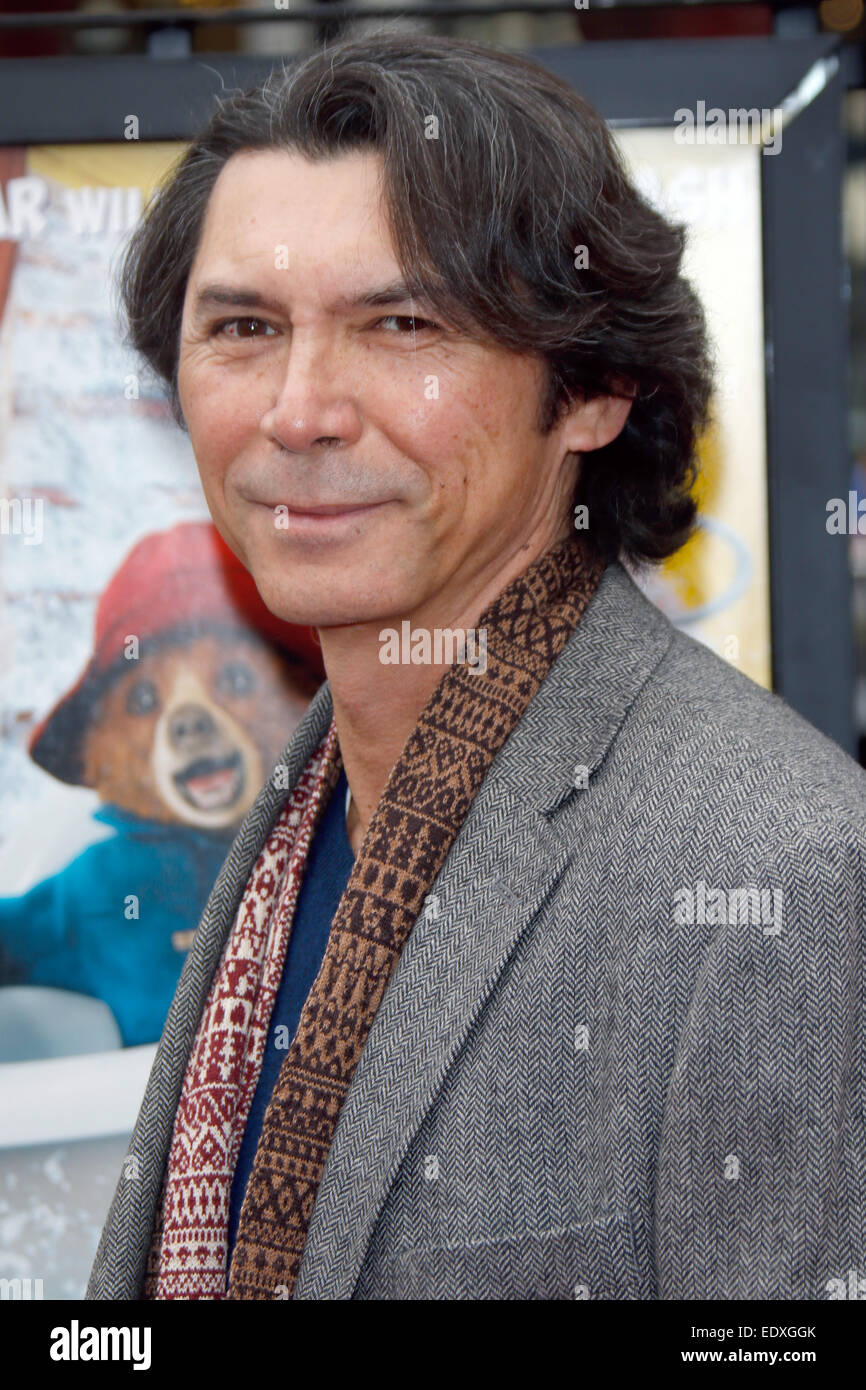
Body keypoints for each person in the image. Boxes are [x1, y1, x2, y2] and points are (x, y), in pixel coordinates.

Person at [87, 31, 866, 1301]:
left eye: (399, 322)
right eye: (241, 326)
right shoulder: (302, 812)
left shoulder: (775, 872)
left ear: (594, 386)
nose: (297, 410)